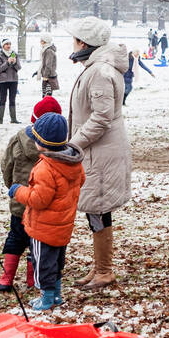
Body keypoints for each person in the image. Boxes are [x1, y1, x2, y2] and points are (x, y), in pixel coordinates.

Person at [65, 17, 132, 292]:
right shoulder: (96, 68)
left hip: (100, 156)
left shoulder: (100, 72)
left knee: (99, 210)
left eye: (76, 39)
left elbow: (101, 118)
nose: (73, 44)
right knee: (96, 211)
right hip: (97, 154)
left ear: (85, 43)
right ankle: (99, 266)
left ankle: (104, 270)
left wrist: (73, 144)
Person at [8, 112, 86, 312]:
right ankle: (56, 294)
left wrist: (18, 190)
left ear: (42, 144)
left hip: (43, 229)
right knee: (56, 262)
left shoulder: (46, 167)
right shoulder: (72, 162)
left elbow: (38, 199)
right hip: (63, 226)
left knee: (42, 264)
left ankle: (47, 297)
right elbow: (81, 181)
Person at [0, 95, 61, 295]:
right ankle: (33, 278)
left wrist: (13, 188)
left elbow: (7, 166)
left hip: (20, 202)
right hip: (45, 205)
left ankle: (7, 277)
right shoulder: (59, 148)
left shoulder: (18, 139)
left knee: (15, 236)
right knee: (38, 241)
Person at [0, 39, 22, 123]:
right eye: (6, 44)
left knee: (12, 99)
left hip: (13, 79)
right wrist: (7, 62)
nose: (8, 46)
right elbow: (0, 68)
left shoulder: (15, 54)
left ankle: (13, 119)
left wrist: (14, 63)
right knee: (3, 99)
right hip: (3, 81)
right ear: (3, 45)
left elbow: (19, 67)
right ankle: (0, 120)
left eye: (9, 44)